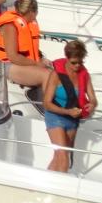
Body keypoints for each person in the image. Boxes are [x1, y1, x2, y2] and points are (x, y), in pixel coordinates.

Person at [38, 39, 96, 173]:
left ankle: (47, 181)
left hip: (73, 119)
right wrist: (68, 112)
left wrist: (92, 104)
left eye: (80, 62)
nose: (77, 66)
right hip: (55, 116)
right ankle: (60, 185)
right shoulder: (56, 75)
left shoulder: (84, 75)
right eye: (74, 62)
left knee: (58, 156)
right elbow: (46, 103)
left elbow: (93, 98)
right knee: (63, 157)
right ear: (67, 58)